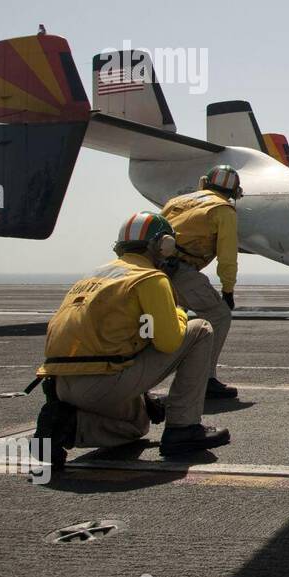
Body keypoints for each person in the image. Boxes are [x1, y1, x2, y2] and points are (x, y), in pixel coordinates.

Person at [33, 212, 231, 469]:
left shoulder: (92, 276)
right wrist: (179, 312)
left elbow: (115, 336)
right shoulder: (150, 278)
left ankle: (66, 426)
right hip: (103, 383)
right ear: (164, 244)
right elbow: (169, 342)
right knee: (201, 329)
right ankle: (183, 428)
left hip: (62, 387)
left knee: (136, 426)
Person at [161, 164, 243, 399]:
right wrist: (228, 291)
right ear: (233, 192)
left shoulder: (175, 202)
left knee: (162, 321)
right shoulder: (223, 210)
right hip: (181, 271)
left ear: (205, 182)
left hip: (153, 269)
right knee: (219, 315)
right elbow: (227, 256)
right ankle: (204, 379)